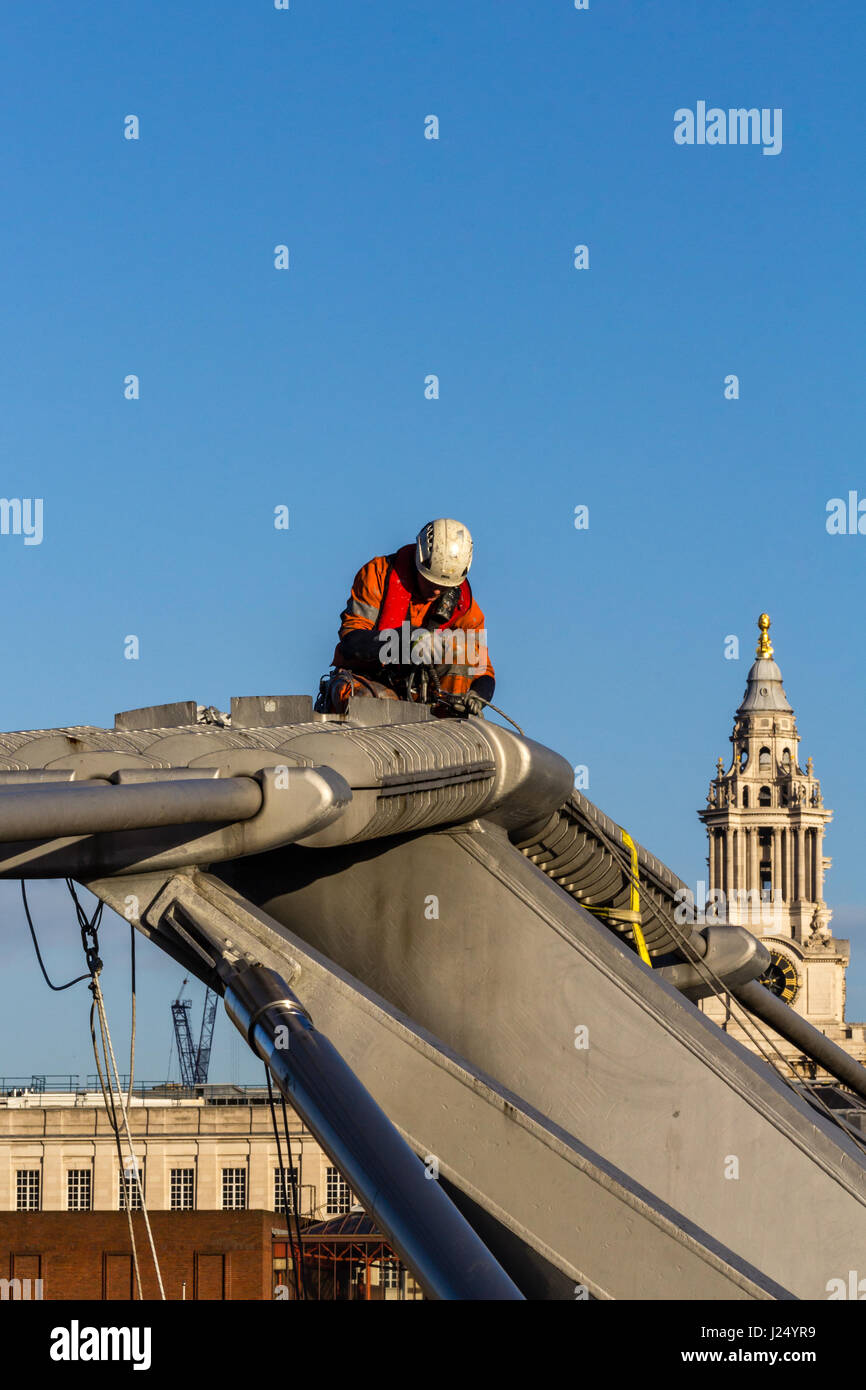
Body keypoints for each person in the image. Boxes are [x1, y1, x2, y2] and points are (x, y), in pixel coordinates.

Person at [317, 519, 495, 716]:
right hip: (369, 681)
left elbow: (481, 667)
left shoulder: (464, 606)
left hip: (426, 700)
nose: (436, 590)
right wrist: (402, 641)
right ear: (419, 561)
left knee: (460, 651)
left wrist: (478, 695)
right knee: (363, 699)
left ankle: (450, 725)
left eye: (444, 587)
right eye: (429, 580)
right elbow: (351, 641)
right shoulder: (378, 575)